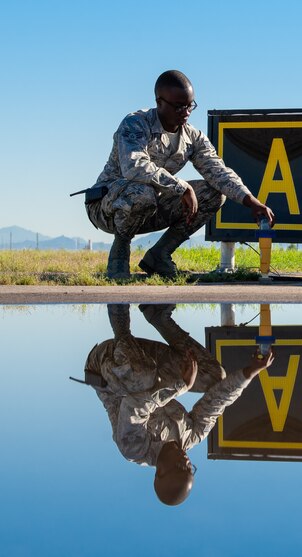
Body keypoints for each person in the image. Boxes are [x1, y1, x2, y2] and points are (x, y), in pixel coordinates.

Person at [84, 70, 274, 279]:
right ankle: (119, 256)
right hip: (108, 207)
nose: (186, 112)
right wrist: (181, 186)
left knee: (213, 193)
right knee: (142, 191)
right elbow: (135, 166)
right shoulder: (135, 123)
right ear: (159, 102)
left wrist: (251, 201)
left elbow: (219, 172)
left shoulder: (192, 137)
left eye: (190, 105)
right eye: (179, 106)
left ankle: (159, 255)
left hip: (151, 206)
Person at [84, 304, 273, 505]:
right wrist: (251, 372)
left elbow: (135, 405)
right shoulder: (191, 436)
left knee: (144, 380)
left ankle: (120, 315)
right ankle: (159, 317)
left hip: (105, 364)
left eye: (180, 469)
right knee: (214, 377)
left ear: (160, 473)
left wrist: (181, 386)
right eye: (190, 469)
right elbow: (216, 402)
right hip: (141, 359)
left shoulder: (135, 449)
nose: (187, 463)